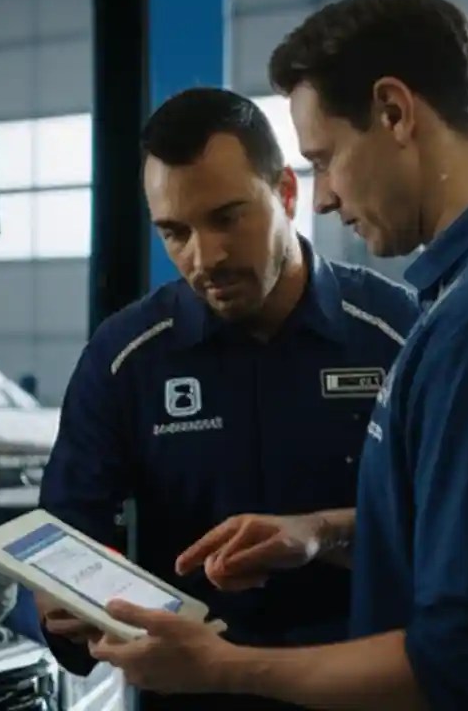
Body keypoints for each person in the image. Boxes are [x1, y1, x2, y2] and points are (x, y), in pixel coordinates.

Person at [84, 0, 468, 710]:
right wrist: (322, 533)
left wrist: (224, 667)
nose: (325, 198)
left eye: (326, 159)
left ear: (394, 112)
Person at [35, 86, 420, 710]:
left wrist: (326, 533)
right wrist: (63, 605)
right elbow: (67, 533)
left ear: (287, 194)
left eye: (228, 218)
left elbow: (449, 528)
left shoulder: (396, 333)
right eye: (174, 232)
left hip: (365, 690)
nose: (203, 257)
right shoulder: (125, 357)